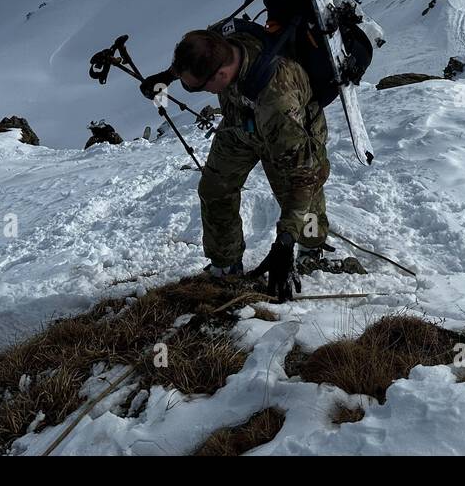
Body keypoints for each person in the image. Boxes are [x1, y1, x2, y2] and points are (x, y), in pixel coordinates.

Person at [140, 25, 330, 302]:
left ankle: (311, 247)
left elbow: (302, 176)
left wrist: (284, 243)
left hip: (288, 136)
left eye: (199, 87)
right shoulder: (219, 41)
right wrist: (168, 76)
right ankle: (225, 265)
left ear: (221, 74)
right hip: (242, 125)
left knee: (302, 200)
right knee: (215, 189)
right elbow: (194, 50)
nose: (197, 91)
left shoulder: (278, 101)